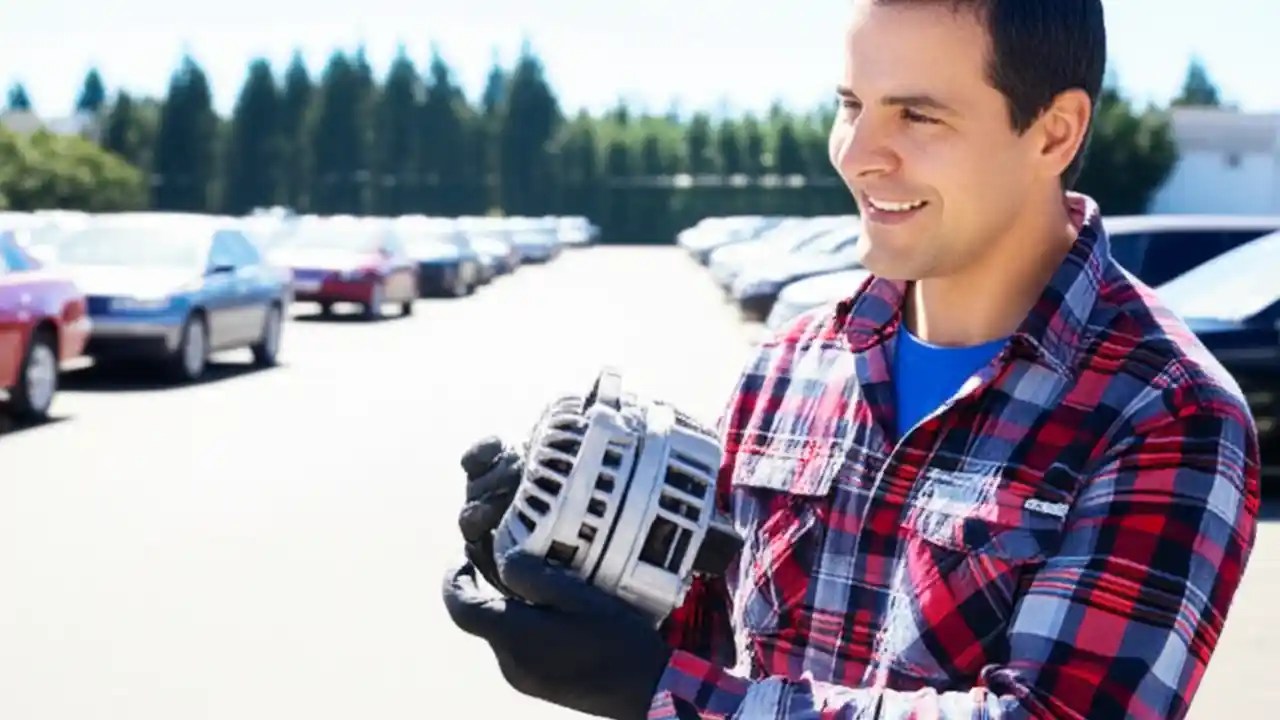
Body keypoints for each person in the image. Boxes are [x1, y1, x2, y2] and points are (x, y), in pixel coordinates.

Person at [443, 0, 1262, 718]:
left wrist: (661, 696)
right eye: (850, 104)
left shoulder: (1166, 412)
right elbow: (705, 640)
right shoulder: (790, 367)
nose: (857, 152)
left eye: (917, 115)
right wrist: (565, 558)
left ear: (1054, 132)